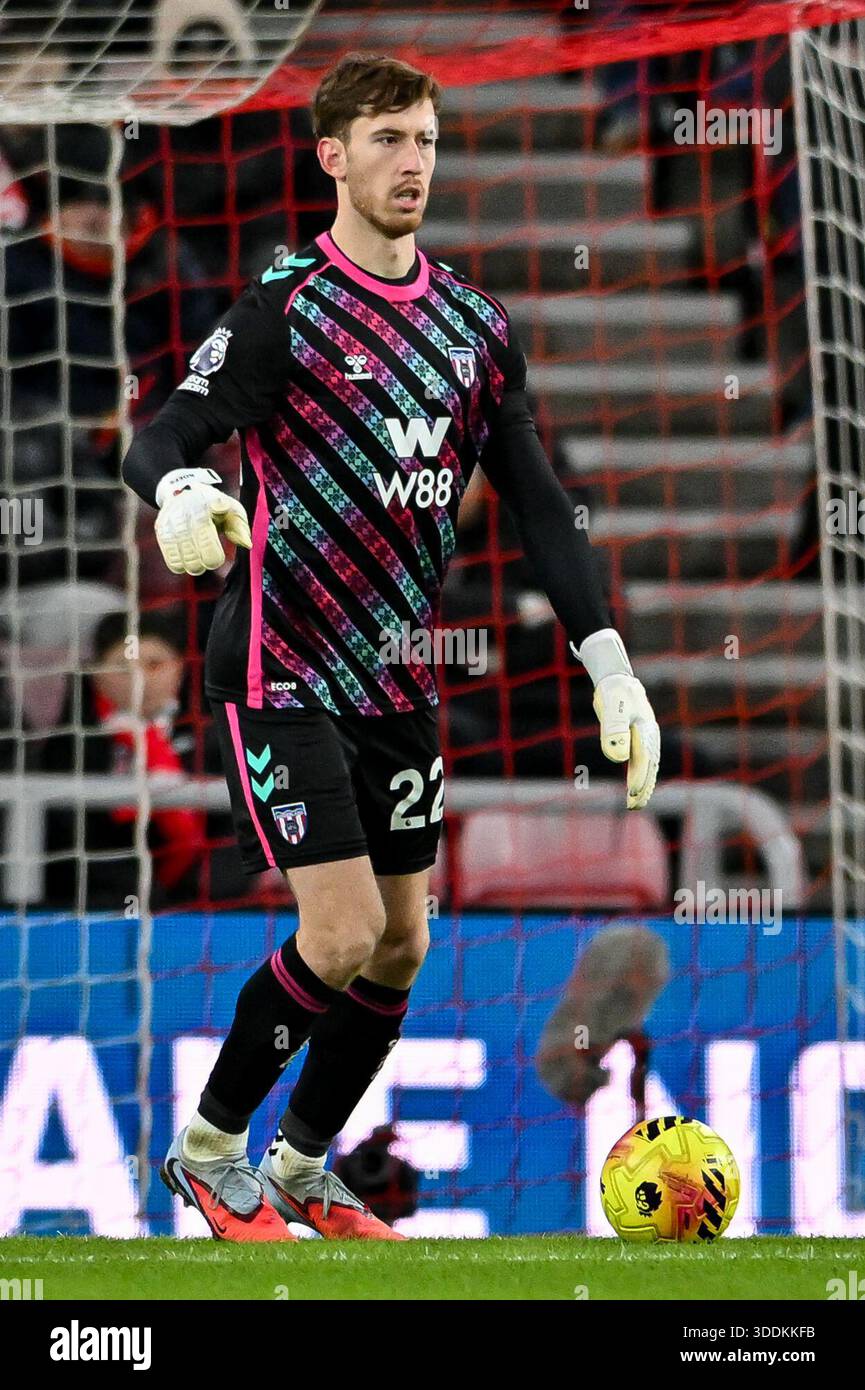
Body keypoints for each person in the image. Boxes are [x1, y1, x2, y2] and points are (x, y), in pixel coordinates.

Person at [121, 52, 661, 1243]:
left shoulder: (473, 327)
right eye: (386, 141)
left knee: (405, 945)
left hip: (394, 676)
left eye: (424, 139)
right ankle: (211, 1153)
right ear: (333, 158)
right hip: (278, 660)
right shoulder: (287, 306)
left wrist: (607, 659)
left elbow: (536, 502)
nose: (412, 162)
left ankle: (307, 1165)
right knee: (344, 931)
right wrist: (176, 497)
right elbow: (163, 432)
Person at [39, 610, 206, 911]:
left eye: (154, 665)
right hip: (100, 887)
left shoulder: (214, 736)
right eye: (122, 667)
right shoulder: (69, 744)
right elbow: (66, 836)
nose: (140, 679)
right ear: (96, 674)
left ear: (180, 668)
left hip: (199, 892)